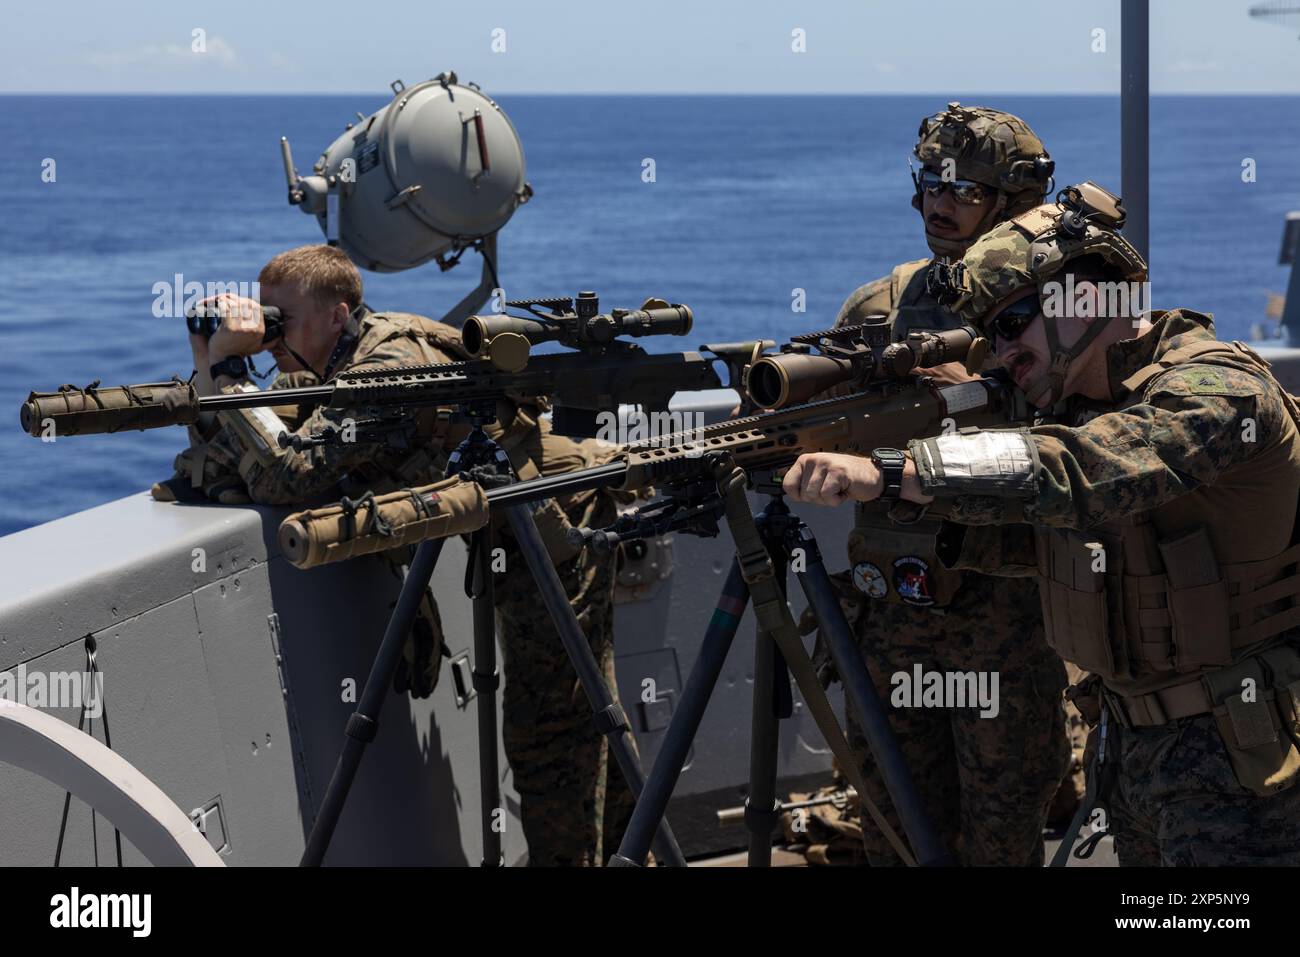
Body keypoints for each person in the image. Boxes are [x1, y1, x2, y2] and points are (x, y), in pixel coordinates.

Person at [784, 182, 1300, 865]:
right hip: (1140, 752)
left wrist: (896, 469)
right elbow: (1064, 539)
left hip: (1242, 759)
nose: (999, 354)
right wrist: (935, 518)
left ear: (1084, 301)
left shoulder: (1215, 390)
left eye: (1011, 323)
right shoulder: (1092, 405)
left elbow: (1090, 468)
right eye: (989, 333)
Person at [155, 244, 637, 866]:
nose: (270, 337)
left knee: (550, 731)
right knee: (581, 711)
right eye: (264, 319)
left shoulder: (385, 367)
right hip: (499, 521)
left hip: (553, 521)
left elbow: (288, 476)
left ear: (338, 314)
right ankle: (634, 850)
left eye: (283, 320)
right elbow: (243, 441)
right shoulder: (332, 359)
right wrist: (207, 358)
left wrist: (228, 373)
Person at [808, 103, 1072, 865]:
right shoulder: (883, 307)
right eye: (929, 182)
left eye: (961, 189)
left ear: (1014, 199)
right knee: (895, 831)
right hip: (896, 616)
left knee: (1000, 837)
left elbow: (1087, 451)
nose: (937, 204)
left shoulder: (1062, 317)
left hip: (1006, 626)